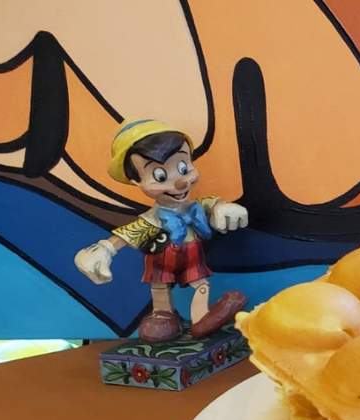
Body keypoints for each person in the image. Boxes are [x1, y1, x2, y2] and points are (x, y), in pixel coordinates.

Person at [74, 119, 248, 342]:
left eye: (183, 168)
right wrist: (105, 249)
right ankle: (164, 316)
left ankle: (202, 320)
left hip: (192, 254)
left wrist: (222, 208)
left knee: (201, 285)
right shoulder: (151, 219)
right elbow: (130, 233)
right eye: (160, 176)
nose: (180, 183)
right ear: (136, 181)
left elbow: (210, 205)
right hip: (161, 258)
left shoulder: (196, 207)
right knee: (160, 288)